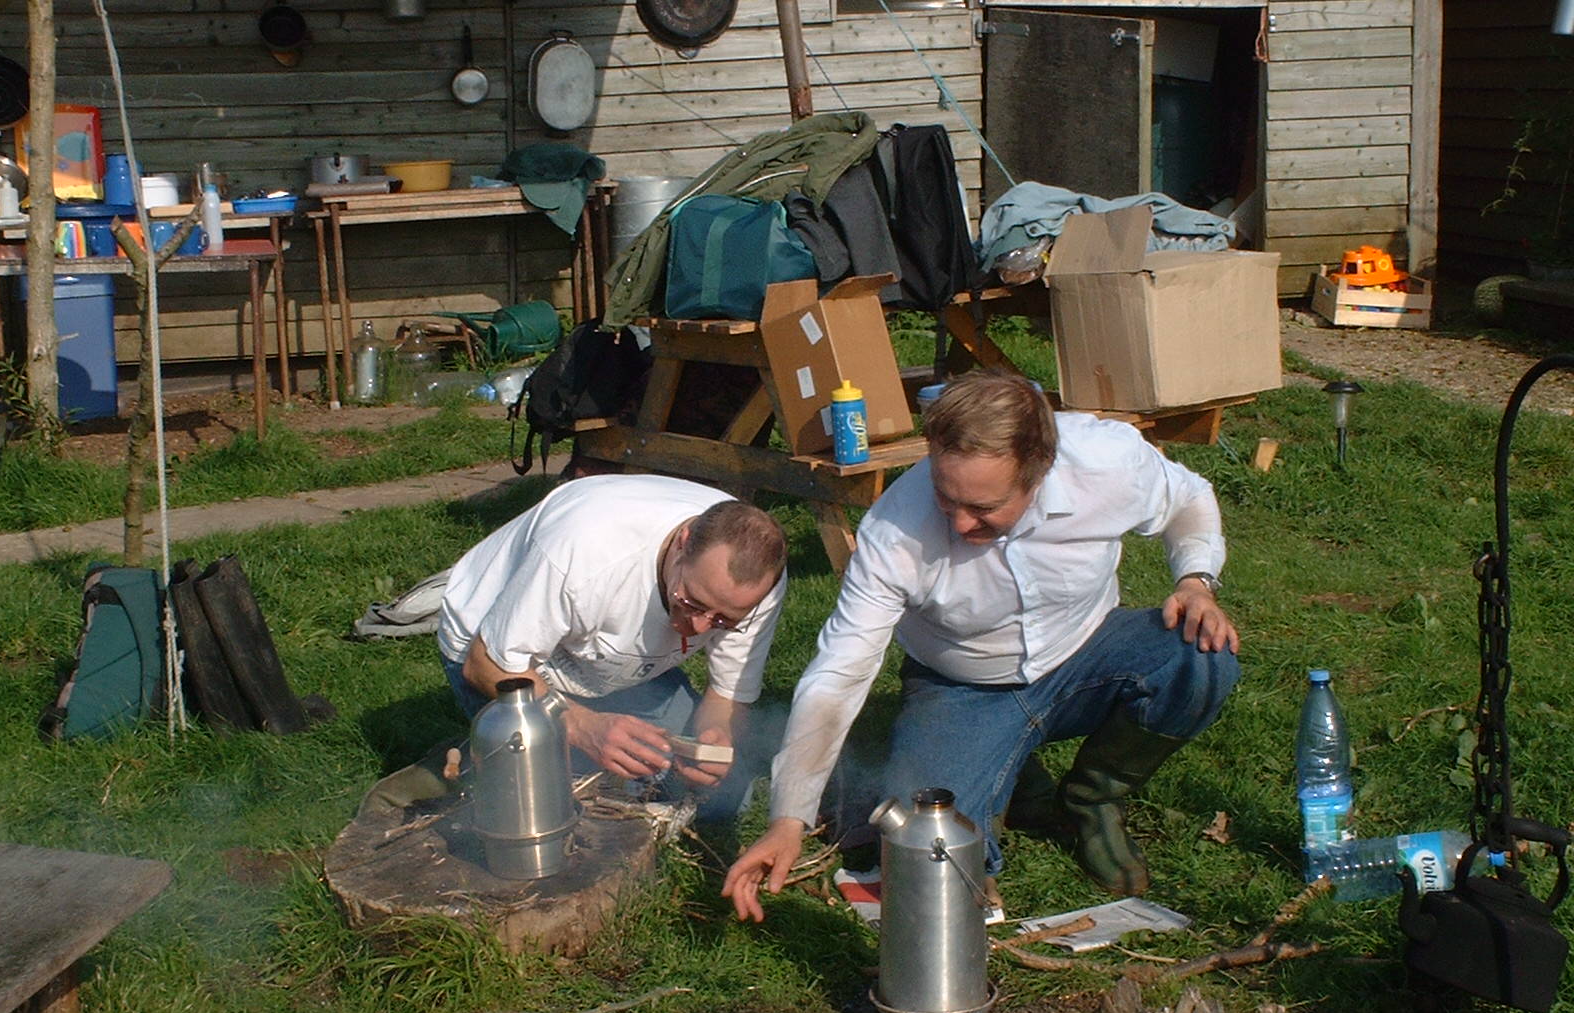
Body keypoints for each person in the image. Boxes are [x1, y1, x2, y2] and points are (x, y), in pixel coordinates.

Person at [724, 368, 1240, 920]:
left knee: (1201, 654)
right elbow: (838, 673)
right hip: (962, 685)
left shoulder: (1108, 460)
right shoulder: (894, 531)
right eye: (947, 499)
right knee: (931, 843)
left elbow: (1190, 499)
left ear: (1039, 470)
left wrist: (1195, 581)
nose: (961, 522)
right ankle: (1002, 769)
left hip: (1086, 652)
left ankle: (1092, 798)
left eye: (985, 509)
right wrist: (788, 819)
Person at [437, 474, 788, 806]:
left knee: (723, 800)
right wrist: (582, 726)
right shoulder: (586, 551)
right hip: (502, 658)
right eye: (692, 603)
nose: (699, 628)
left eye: (724, 620)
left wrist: (715, 737)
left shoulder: (756, 583)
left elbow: (728, 694)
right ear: (684, 541)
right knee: (566, 804)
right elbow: (484, 664)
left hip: (615, 664)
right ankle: (475, 755)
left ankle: (506, 754)